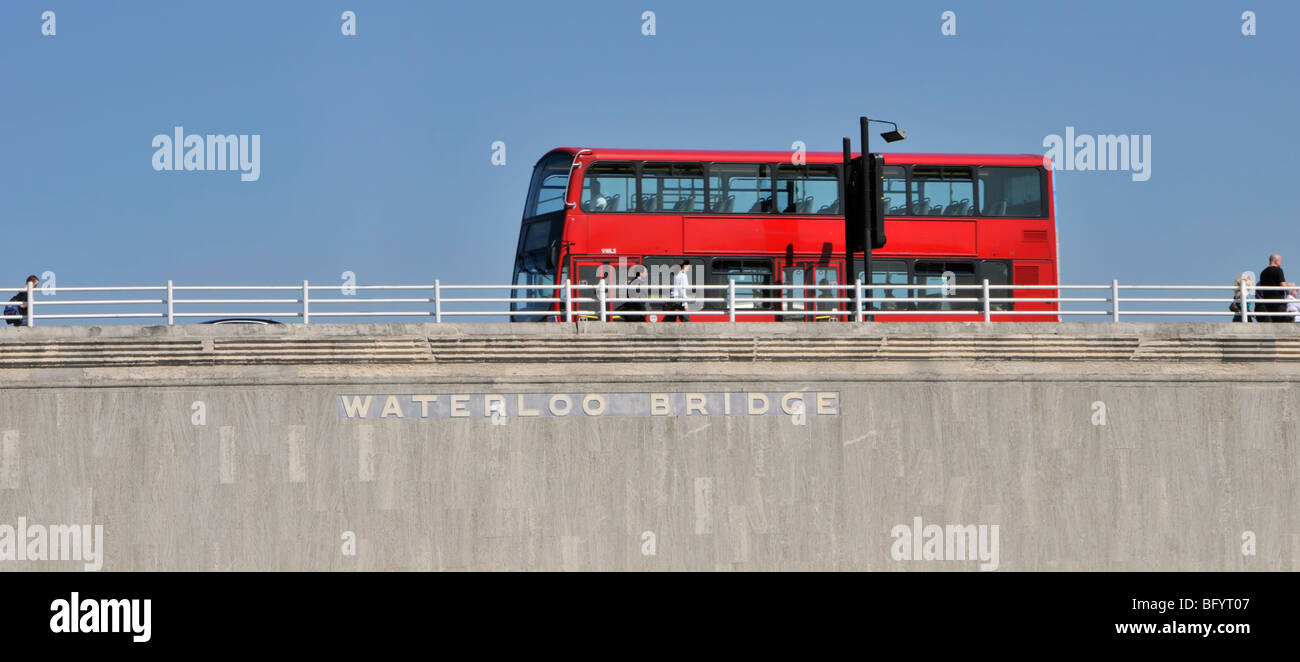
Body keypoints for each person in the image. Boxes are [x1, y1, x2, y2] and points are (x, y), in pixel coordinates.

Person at [1258, 254, 1287, 322]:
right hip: (1278, 302)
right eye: (1280, 261)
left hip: (1267, 302)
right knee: (1282, 323)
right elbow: (1283, 285)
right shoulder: (1278, 270)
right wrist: (1290, 285)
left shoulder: (1263, 272)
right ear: (1276, 261)